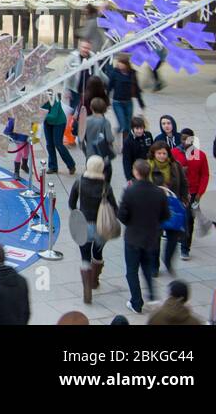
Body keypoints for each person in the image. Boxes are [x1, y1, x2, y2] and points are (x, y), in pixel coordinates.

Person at [117, 158, 169, 314]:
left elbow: (122, 215)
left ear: (136, 172)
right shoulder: (159, 192)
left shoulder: (130, 191)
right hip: (151, 236)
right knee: (147, 267)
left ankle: (136, 302)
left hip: (133, 236)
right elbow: (165, 215)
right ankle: (152, 296)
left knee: (132, 271)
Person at [69, 155, 117, 303]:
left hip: (84, 224)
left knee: (85, 257)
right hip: (101, 226)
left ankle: (87, 289)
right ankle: (95, 280)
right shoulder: (106, 186)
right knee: (98, 254)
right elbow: (115, 208)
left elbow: (71, 204)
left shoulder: (79, 183)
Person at [174, 129, 209, 260]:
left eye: (188, 139)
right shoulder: (174, 153)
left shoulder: (201, 155)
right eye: (183, 139)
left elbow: (205, 175)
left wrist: (200, 193)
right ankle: (177, 236)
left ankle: (185, 248)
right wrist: (179, 171)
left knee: (189, 220)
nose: (185, 142)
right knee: (179, 218)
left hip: (193, 193)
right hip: (178, 191)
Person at [102, 53, 144, 140]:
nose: (119, 64)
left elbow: (136, 89)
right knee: (123, 125)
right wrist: (106, 101)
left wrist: (141, 104)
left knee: (128, 126)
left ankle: (125, 144)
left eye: (121, 63)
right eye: (118, 62)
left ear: (126, 64)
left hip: (128, 102)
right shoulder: (114, 73)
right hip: (117, 102)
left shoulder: (132, 74)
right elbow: (109, 87)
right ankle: (116, 134)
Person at [41, 90, 75, 175]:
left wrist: (41, 113)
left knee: (58, 144)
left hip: (59, 122)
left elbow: (53, 116)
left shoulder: (54, 98)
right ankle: (53, 167)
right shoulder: (39, 98)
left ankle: (71, 165)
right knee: (49, 144)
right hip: (48, 122)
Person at [122, 116, 154, 182]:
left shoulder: (148, 135)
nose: (139, 131)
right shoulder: (128, 141)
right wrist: (128, 177)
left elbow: (152, 149)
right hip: (137, 171)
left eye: (141, 128)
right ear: (132, 128)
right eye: (137, 128)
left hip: (149, 168)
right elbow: (126, 160)